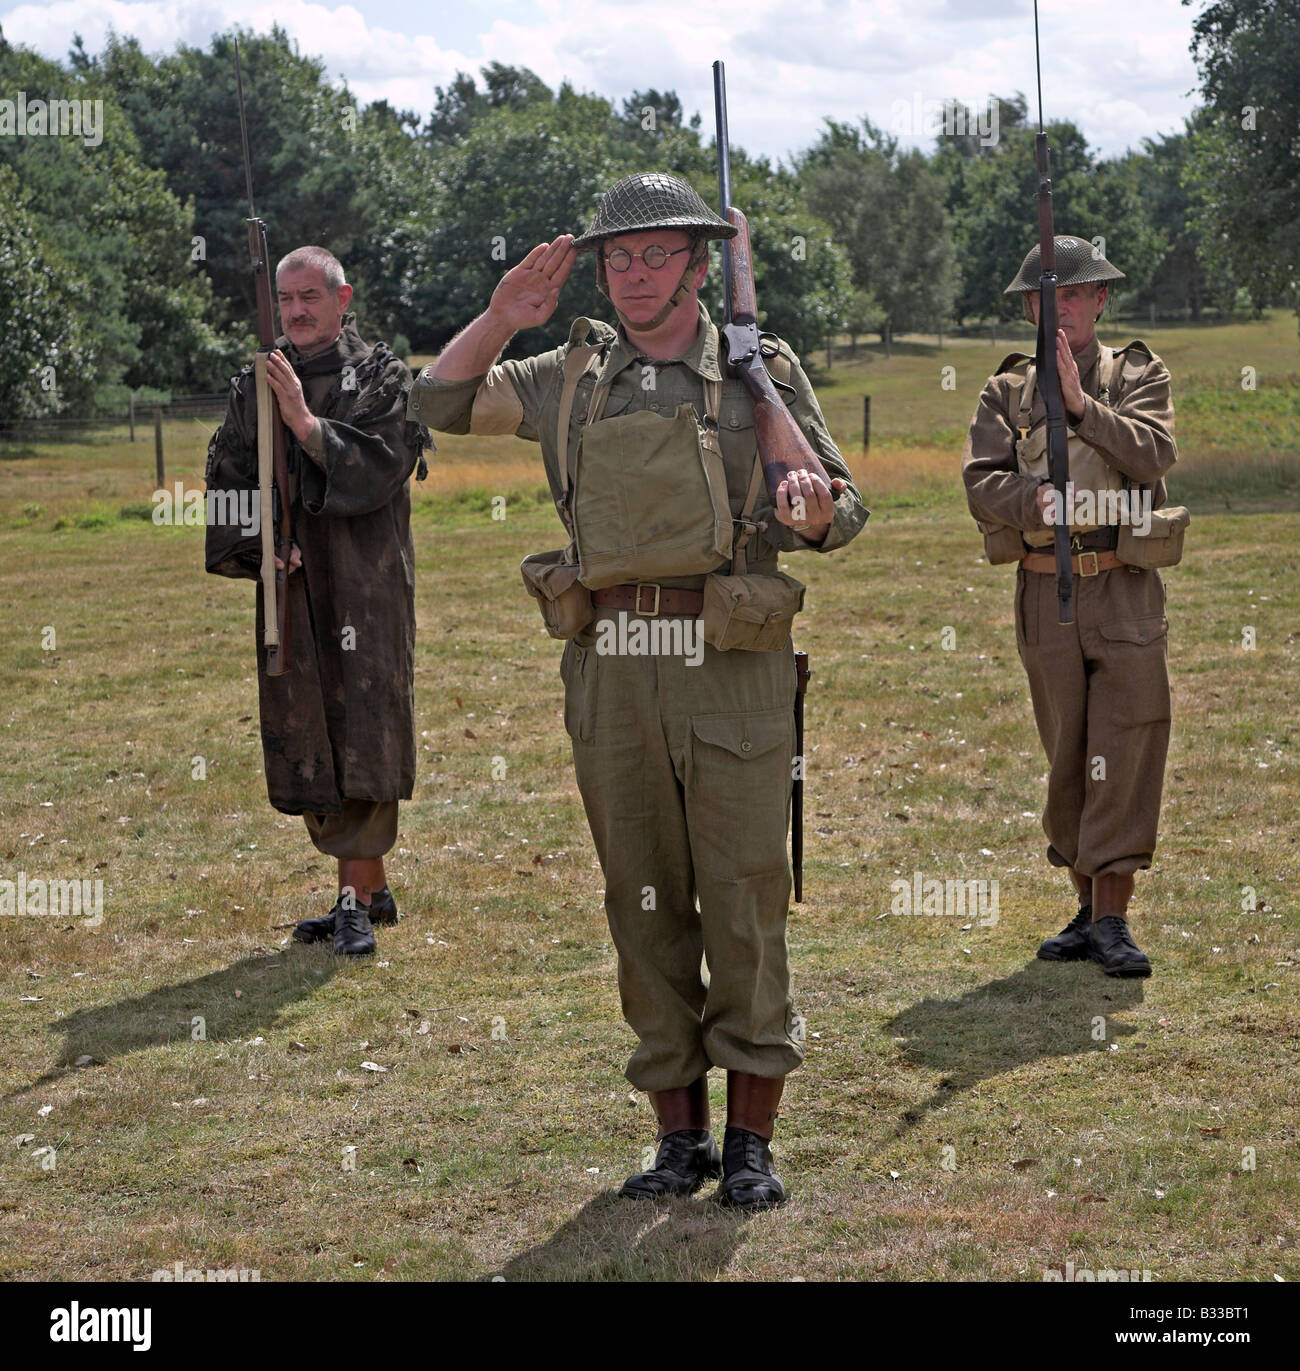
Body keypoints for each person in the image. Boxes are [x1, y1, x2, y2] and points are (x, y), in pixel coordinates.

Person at [409, 172, 867, 1207]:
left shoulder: (760, 368)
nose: (635, 272)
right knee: (642, 899)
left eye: (659, 253)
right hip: (612, 664)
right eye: (619, 256)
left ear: (700, 266)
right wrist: (500, 315)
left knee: (743, 897)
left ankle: (751, 1141)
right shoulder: (568, 372)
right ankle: (678, 1137)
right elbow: (433, 405)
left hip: (730, 663)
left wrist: (801, 499)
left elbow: (841, 514)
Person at [962, 235, 1179, 978]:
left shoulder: (1140, 376)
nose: (1055, 308)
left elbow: (1153, 454)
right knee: (1068, 753)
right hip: (1044, 587)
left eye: (1072, 294)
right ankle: (1087, 910)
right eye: (1041, 298)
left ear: (1098, 299)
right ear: (1030, 306)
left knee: (1125, 744)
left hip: (1122, 587)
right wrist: (1033, 497)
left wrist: (1083, 407)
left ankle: (1113, 916)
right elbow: (979, 481)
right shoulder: (1007, 391)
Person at [205, 245, 429, 957]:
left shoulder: (383, 377)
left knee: (364, 725)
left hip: (367, 585)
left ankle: (353, 897)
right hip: (296, 592)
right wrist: (262, 541)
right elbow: (231, 472)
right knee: (309, 725)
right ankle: (372, 888)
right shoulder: (256, 383)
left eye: (310, 296)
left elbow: (385, 466)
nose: (297, 310)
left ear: (342, 298)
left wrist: (305, 425)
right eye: (286, 298)